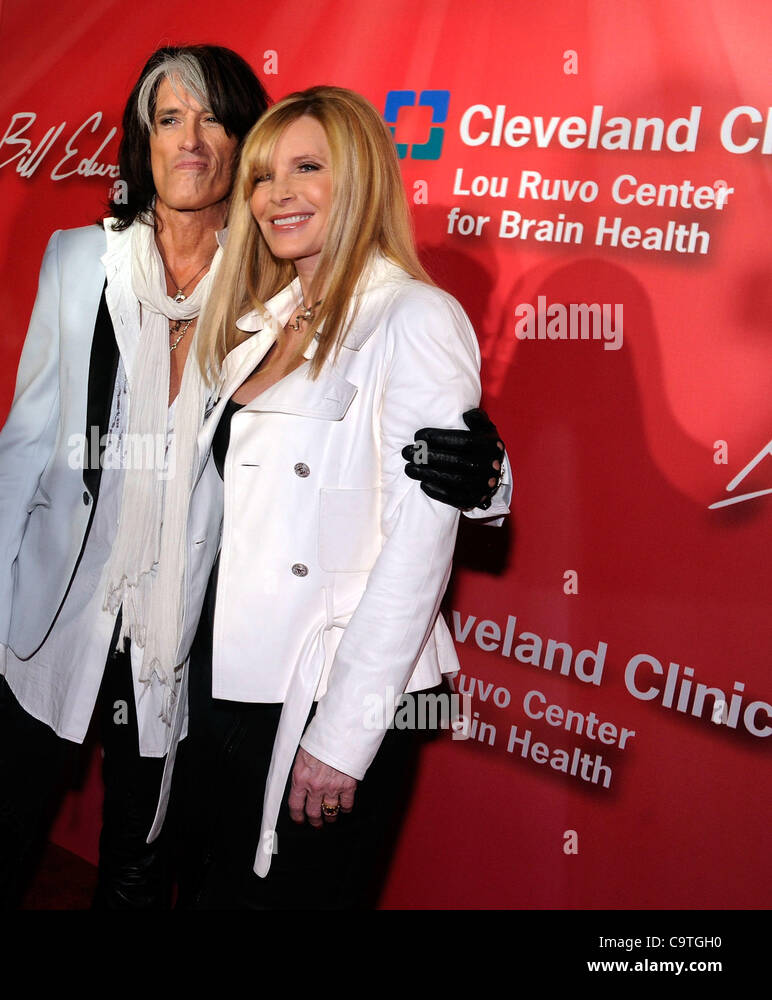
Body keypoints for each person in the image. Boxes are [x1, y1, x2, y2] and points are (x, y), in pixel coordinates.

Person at [0, 50, 510, 910]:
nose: (191, 141)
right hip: (63, 612)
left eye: (215, 122)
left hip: (194, 633)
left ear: (239, 142)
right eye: (169, 119)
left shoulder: (267, 284)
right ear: (144, 140)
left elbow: (392, 461)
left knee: (141, 864)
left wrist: (487, 473)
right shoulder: (90, 265)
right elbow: (23, 445)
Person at [165, 85, 499, 908]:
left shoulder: (414, 316)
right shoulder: (259, 322)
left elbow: (418, 548)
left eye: (307, 168)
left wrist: (346, 737)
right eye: (263, 175)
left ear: (359, 182)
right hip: (233, 675)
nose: (277, 194)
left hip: (333, 689)